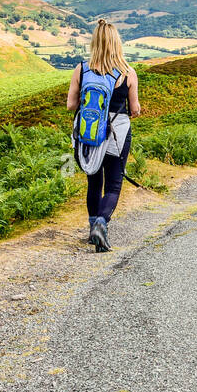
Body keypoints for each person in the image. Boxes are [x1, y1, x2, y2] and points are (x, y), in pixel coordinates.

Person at [66, 19, 142, 252]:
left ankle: (92, 231)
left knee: (94, 182)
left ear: (95, 42)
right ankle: (101, 223)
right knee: (113, 185)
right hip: (117, 134)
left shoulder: (82, 68)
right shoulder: (128, 72)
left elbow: (70, 105)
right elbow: (135, 109)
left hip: (89, 136)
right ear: (117, 43)